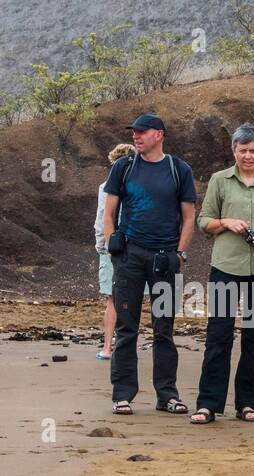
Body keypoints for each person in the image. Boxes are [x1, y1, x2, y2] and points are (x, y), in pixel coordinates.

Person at [190, 123, 254, 424]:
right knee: (218, 336)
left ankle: (247, 403)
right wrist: (226, 222)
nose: (247, 155)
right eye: (242, 150)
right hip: (226, 267)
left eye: (252, 150)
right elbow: (203, 221)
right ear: (233, 151)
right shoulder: (219, 181)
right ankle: (208, 404)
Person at [102, 113, 197, 415]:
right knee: (126, 328)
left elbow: (189, 216)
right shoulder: (123, 167)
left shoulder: (178, 169)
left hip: (164, 259)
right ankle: (122, 395)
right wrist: (111, 246)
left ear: (159, 135)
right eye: (134, 132)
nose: (136, 136)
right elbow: (109, 212)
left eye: (142, 132)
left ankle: (167, 395)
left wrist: (179, 255)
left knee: (164, 330)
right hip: (129, 257)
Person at [93, 143, 135, 360]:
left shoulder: (105, 187)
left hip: (116, 248)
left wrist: (102, 246)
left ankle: (108, 348)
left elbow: (102, 219)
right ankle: (116, 346)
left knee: (113, 300)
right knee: (127, 300)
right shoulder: (138, 184)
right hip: (128, 248)